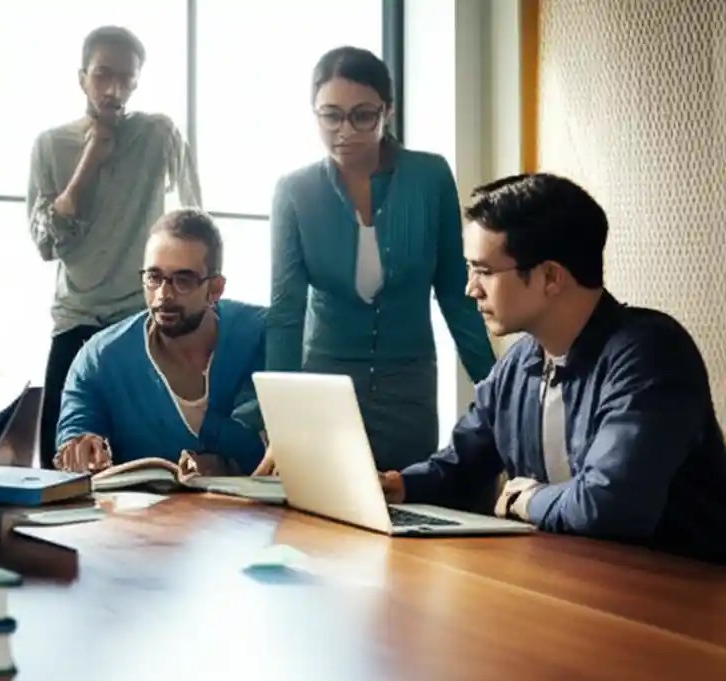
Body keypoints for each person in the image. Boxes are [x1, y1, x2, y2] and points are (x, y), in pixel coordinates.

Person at [379, 173, 726, 561]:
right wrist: (398, 486)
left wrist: (528, 499)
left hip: (680, 597)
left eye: (484, 271)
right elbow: (460, 466)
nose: (470, 288)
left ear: (550, 277)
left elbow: (610, 505)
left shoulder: (650, 354)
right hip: (574, 580)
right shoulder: (519, 362)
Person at [262, 46, 495, 473]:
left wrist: (497, 390)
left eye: (362, 115)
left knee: (407, 510)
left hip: (408, 386)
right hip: (324, 386)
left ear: (387, 111)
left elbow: (456, 294)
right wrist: (279, 419)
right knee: (320, 519)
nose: (345, 131)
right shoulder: (295, 192)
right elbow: (285, 313)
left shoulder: (429, 178)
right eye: (330, 116)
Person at [28, 25, 201, 469]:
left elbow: (192, 214)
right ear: (82, 76)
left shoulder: (157, 135)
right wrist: (93, 156)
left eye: (126, 79)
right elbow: (47, 244)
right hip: (75, 317)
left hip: (136, 320)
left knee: (140, 461)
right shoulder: (51, 145)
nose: (114, 89)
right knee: (58, 463)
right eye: (104, 74)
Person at [55, 209, 265, 475]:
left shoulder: (260, 336)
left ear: (215, 289)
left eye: (183, 280)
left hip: (253, 514)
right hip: (141, 515)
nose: (163, 295)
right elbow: (76, 427)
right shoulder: (100, 359)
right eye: (154, 278)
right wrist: (81, 447)